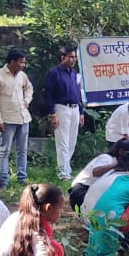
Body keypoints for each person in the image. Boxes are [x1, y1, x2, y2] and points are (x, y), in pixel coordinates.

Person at [0, 49, 33, 186]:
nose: (23, 65)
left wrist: (27, 100)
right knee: (5, 150)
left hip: (24, 117)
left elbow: (29, 88)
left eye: (24, 63)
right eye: (21, 62)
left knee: (22, 149)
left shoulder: (22, 76)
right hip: (7, 119)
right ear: (12, 62)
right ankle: (3, 180)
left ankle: (22, 177)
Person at [44, 46, 84, 180]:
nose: (74, 60)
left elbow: (78, 93)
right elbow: (48, 93)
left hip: (75, 109)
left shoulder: (74, 73)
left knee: (72, 141)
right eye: (71, 57)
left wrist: (82, 112)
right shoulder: (54, 73)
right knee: (63, 142)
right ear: (63, 57)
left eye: (74, 57)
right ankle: (63, 173)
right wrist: (52, 113)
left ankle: (66, 169)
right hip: (61, 108)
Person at [68, 140, 129, 212]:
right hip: (80, 191)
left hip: (89, 192)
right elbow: (95, 172)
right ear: (120, 151)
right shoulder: (107, 158)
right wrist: (116, 165)